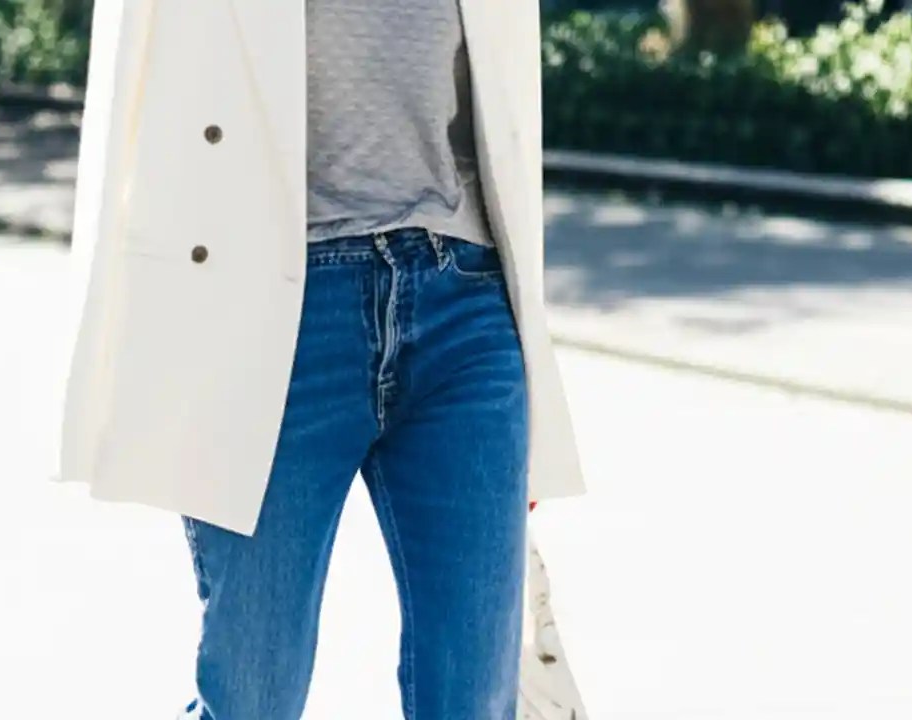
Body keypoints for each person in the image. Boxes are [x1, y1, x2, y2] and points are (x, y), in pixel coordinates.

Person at [56, 1, 587, 717]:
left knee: (473, 701)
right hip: (275, 318)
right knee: (252, 697)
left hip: (461, 298)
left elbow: (504, 114)